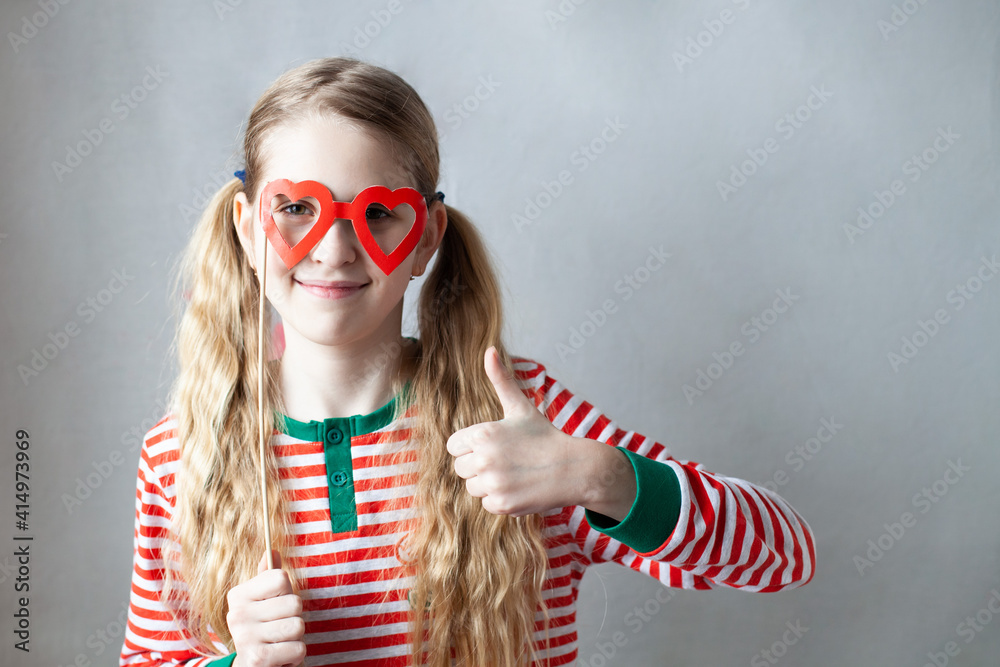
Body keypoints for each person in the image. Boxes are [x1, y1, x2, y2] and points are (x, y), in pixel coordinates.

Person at [119, 56, 816, 667]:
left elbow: (784, 553)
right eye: (297, 208)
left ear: (425, 239)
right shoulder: (183, 452)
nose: (333, 248)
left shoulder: (522, 422)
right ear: (247, 228)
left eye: (378, 214)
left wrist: (597, 474)